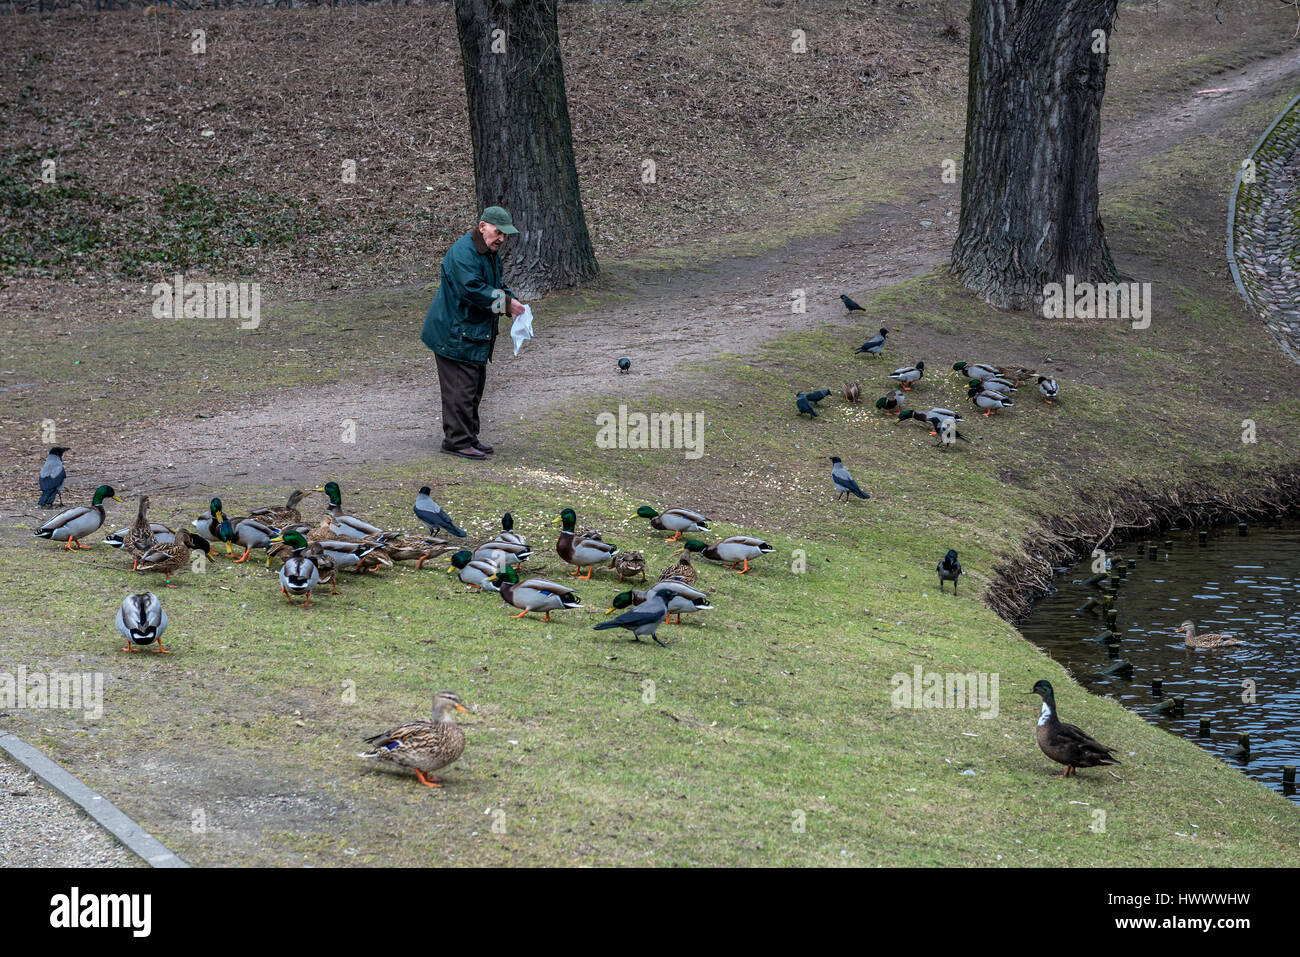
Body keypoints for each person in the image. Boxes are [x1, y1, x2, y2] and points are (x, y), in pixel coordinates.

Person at [421, 207, 527, 459]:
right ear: (482, 227)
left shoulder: (489, 254)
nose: (501, 238)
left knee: (473, 387)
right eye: (497, 232)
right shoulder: (463, 253)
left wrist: (510, 301)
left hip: (471, 332)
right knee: (460, 388)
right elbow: (472, 290)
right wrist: (505, 302)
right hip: (454, 333)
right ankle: (456, 441)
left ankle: (468, 436)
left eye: (505, 234)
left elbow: (495, 284)